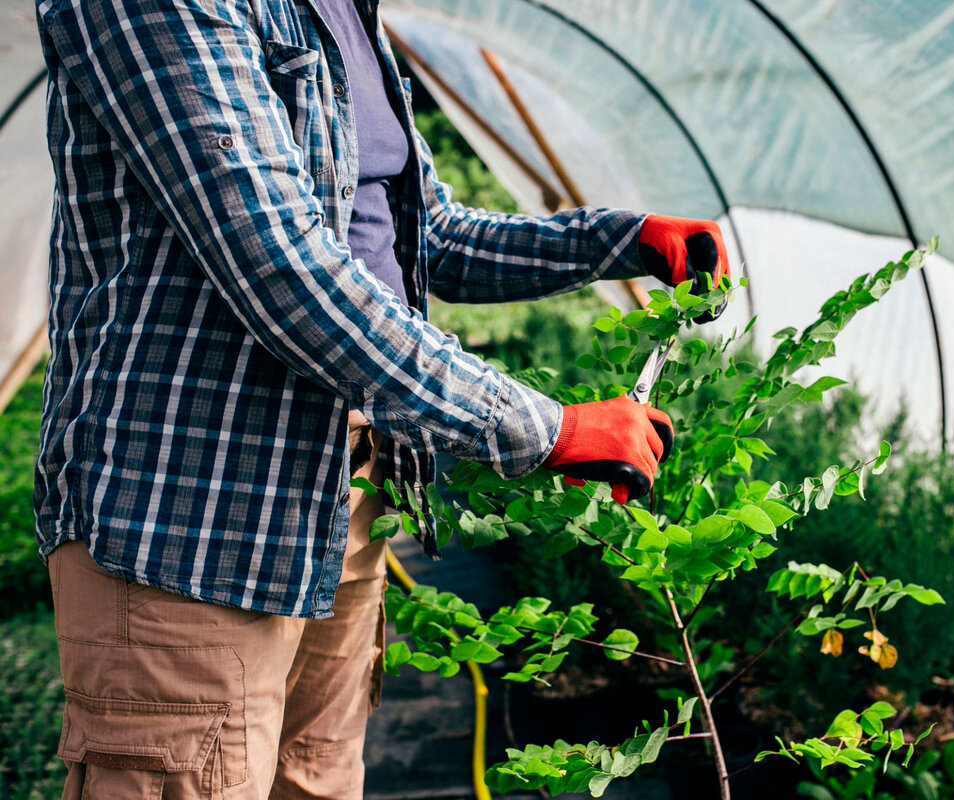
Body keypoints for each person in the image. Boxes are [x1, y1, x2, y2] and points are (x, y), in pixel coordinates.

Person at [34, 0, 731, 797]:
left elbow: (418, 236)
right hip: (190, 519)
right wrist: (547, 429)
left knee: (318, 781)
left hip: (341, 499)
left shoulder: (344, 13)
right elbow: (282, 265)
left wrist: (622, 241)